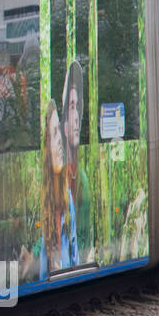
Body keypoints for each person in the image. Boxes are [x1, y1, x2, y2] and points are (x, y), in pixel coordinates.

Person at [61, 60, 92, 262]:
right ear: (63, 123)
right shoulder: (56, 175)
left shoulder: (82, 179)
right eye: (72, 107)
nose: (77, 117)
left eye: (78, 107)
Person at [41, 100, 78, 274]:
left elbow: (74, 250)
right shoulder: (42, 202)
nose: (60, 142)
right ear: (46, 146)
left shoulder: (67, 196)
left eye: (60, 134)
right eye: (54, 133)